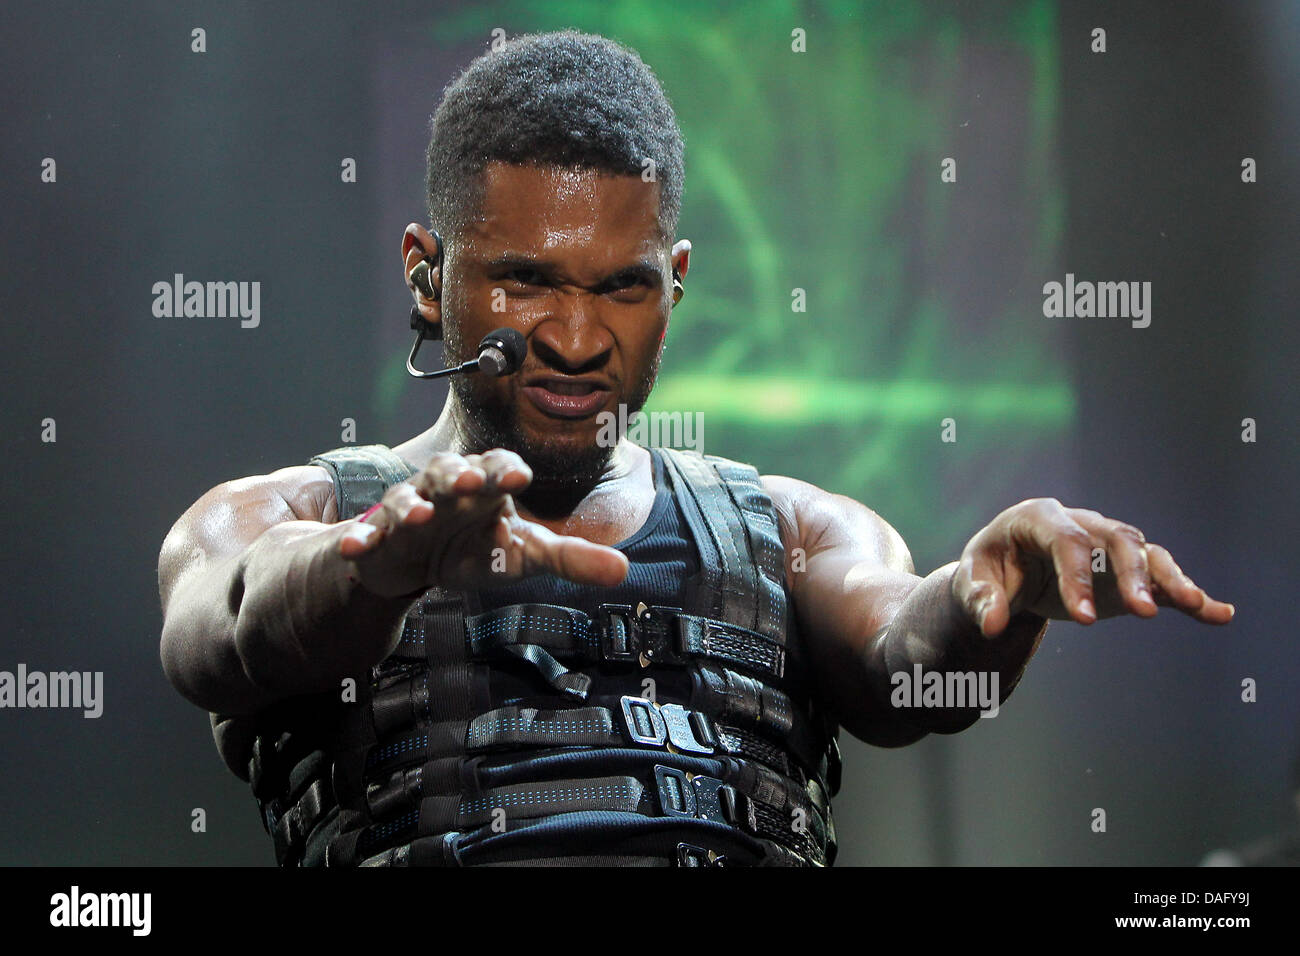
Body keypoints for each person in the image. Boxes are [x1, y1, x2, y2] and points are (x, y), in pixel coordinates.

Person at [157, 30, 1234, 867]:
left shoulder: (790, 529)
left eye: (621, 287)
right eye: (525, 278)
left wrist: (987, 594)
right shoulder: (283, 514)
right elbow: (229, 627)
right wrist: (375, 565)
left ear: (674, 280)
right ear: (426, 273)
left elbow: (906, 663)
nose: (577, 341)